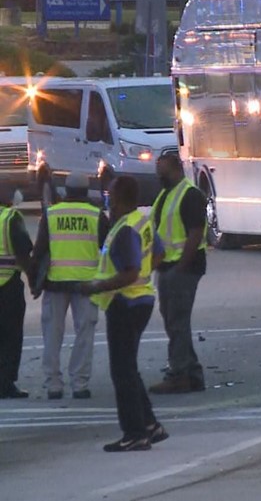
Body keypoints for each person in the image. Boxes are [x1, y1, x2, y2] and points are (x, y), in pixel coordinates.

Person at [77, 176, 168, 452]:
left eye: (110, 195)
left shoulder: (126, 228)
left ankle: (135, 433)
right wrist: (143, 274)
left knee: (122, 371)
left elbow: (128, 272)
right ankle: (149, 424)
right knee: (128, 366)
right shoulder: (142, 221)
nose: (108, 199)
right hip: (141, 299)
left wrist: (98, 285)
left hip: (125, 303)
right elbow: (159, 254)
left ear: (119, 198)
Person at [32, 172, 109, 400]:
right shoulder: (96, 215)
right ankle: (79, 384)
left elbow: (39, 250)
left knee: (52, 334)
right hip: (87, 283)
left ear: (65, 191)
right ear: (86, 192)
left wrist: (34, 280)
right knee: (85, 333)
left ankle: (53, 385)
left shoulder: (52, 213)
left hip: (55, 282)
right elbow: (108, 249)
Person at [149, 153, 208, 395]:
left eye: (162, 170)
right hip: (168, 267)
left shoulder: (190, 195)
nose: (159, 175)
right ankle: (191, 372)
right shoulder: (166, 194)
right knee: (173, 320)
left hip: (183, 268)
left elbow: (195, 232)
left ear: (176, 169)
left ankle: (179, 373)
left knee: (177, 322)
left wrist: (182, 265)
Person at [0, 184, 33, 399]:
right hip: (7, 285)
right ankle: (5, 383)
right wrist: (34, 281)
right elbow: (23, 252)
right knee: (10, 336)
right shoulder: (10, 217)